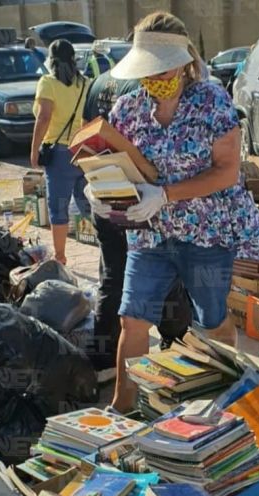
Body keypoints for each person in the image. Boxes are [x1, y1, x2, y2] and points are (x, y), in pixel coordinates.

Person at [84, 11, 259, 412]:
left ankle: (224, 395)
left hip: (207, 233)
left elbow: (226, 173)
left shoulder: (212, 102)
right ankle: (123, 405)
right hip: (150, 235)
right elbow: (113, 161)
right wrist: (100, 191)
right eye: (148, 73)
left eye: (163, 70)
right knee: (132, 319)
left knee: (211, 319)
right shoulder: (127, 110)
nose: (155, 81)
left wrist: (165, 194)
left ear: (186, 63)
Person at [82, 68, 193, 373]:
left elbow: (85, 138)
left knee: (112, 275)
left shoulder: (100, 81)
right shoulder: (145, 89)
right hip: (140, 199)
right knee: (162, 272)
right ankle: (178, 336)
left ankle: (104, 359)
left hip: (107, 195)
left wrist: (92, 181)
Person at [30, 39, 91, 265]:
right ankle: (107, 245)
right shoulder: (86, 83)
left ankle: (61, 256)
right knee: (87, 203)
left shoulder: (47, 83)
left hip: (59, 154)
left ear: (51, 61)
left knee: (59, 207)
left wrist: (34, 149)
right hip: (83, 151)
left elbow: (44, 117)